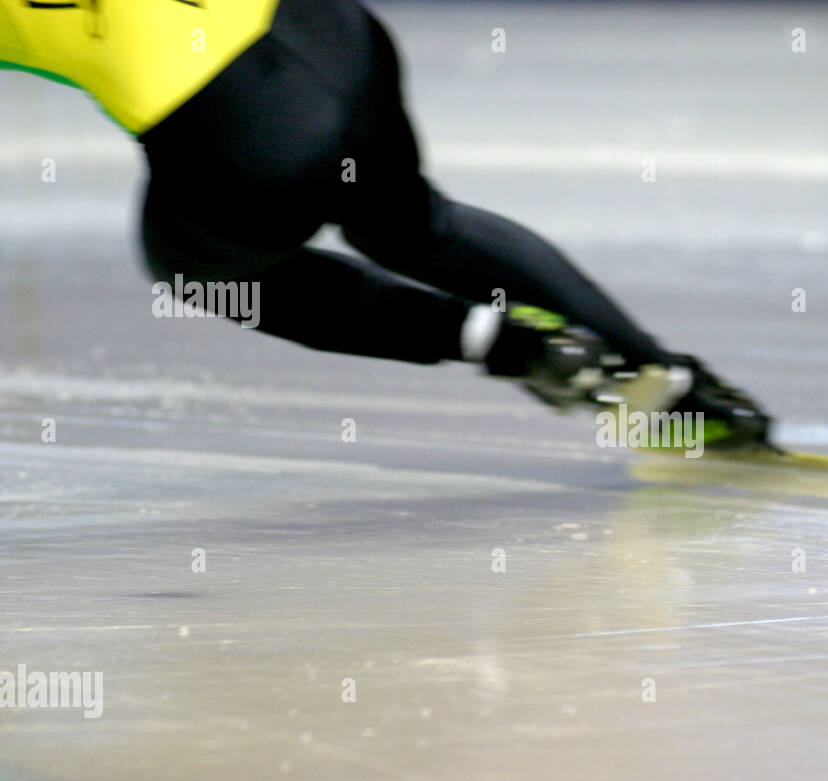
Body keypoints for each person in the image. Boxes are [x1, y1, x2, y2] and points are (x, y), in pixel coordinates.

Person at [0, 0, 771, 449]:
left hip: (244, 126)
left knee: (196, 269)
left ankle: (505, 342)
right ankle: (675, 386)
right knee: (413, 226)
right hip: (335, 38)